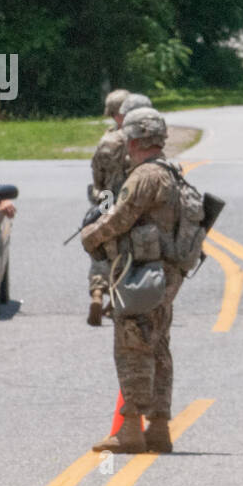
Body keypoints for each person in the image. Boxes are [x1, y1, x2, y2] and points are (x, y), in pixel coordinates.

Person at [81, 107, 189, 455]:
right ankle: (158, 428)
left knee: (132, 344)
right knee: (157, 347)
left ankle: (130, 429)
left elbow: (121, 216)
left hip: (144, 274)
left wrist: (91, 236)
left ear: (135, 140)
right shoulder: (173, 173)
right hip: (166, 275)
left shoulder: (145, 176)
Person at [86, 89, 131, 325]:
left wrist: (101, 200)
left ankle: (97, 292)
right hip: (134, 206)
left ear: (114, 114)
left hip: (106, 204)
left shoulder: (106, 141)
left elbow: (97, 179)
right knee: (128, 255)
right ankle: (116, 301)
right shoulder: (139, 139)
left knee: (100, 251)